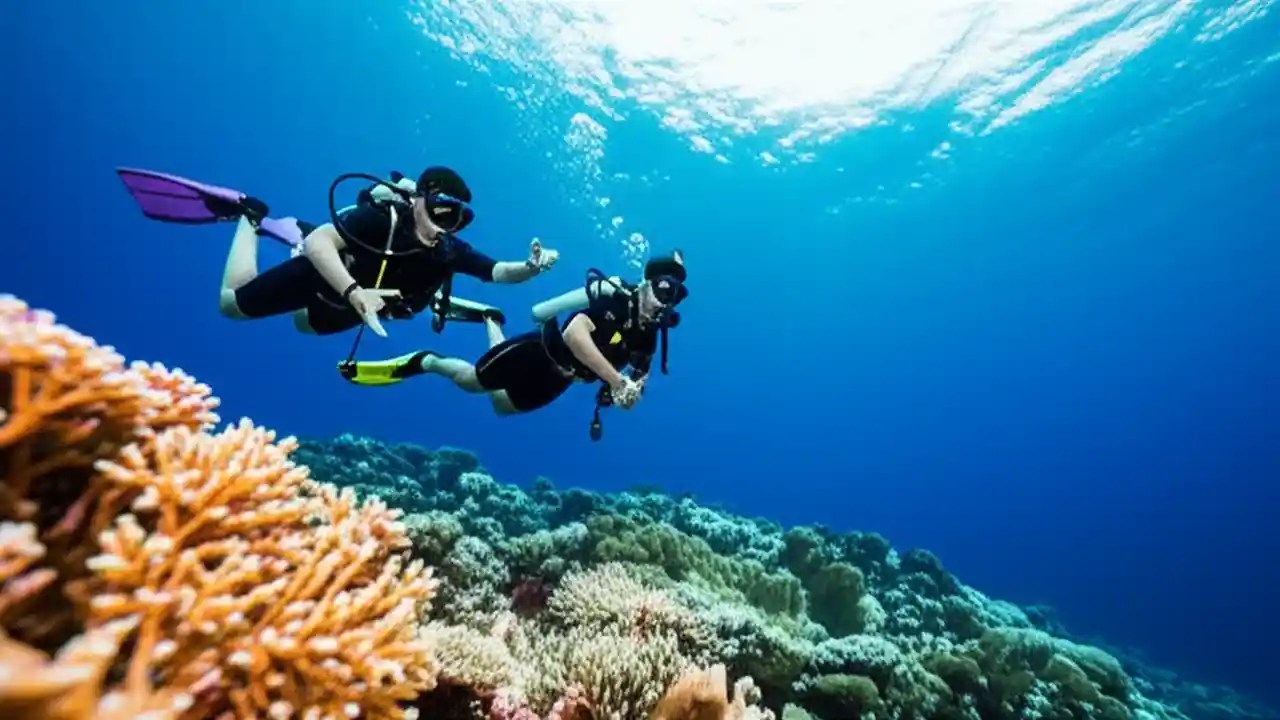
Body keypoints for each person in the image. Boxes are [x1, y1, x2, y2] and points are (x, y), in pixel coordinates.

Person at [116, 165, 559, 338]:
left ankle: (290, 236)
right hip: (330, 278)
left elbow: (499, 271)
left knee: (304, 327)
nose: (447, 227)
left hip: (354, 308)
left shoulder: (448, 250)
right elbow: (319, 244)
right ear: (419, 200)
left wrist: (531, 269)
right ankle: (250, 216)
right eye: (442, 212)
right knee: (230, 306)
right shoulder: (383, 220)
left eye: (458, 219)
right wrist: (352, 291)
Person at [347, 250, 689, 425]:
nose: (664, 302)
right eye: (661, 289)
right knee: (471, 382)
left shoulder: (649, 335)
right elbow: (574, 335)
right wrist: (616, 381)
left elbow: (638, 378)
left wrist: (630, 395)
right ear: (645, 283)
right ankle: (427, 361)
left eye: (674, 296)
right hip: (537, 352)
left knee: (501, 406)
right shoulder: (613, 300)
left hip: (562, 380)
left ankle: (491, 318)